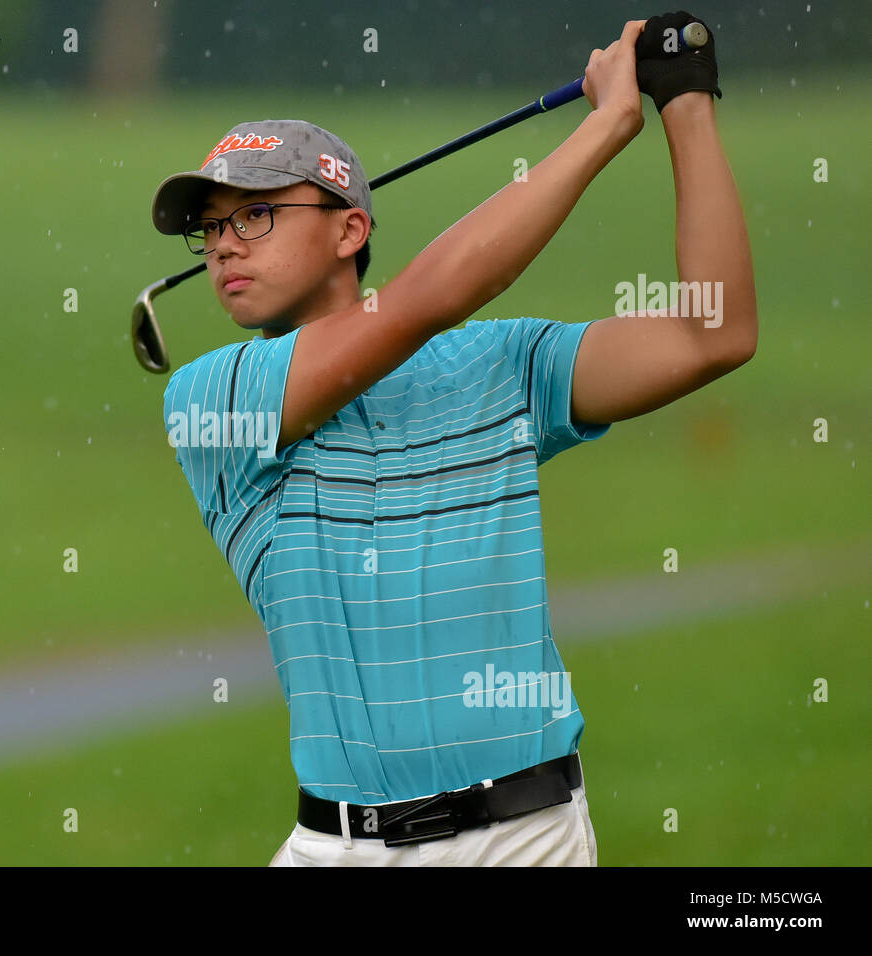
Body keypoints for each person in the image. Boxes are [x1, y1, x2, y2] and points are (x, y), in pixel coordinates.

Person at [149, 15, 754, 866]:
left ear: (349, 231)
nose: (222, 247)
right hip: (337, 847)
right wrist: (608, 126)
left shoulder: (497, 364)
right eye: (210, 228)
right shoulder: (211, 400)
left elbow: (713, 335)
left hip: (526, 838)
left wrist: (685, 102)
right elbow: (423, 302)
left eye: (255, 215)